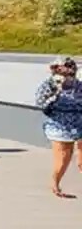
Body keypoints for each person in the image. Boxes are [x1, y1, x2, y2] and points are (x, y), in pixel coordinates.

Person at [36, 57, 82, 197]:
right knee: (63, 158)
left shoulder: (79, 86)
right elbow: (41, 104)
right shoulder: (49, 85)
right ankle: (55, 183)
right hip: (59, 125)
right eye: (65, 72)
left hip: (79, 122)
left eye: (71, 71)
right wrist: (56, 92)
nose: (69, 75)